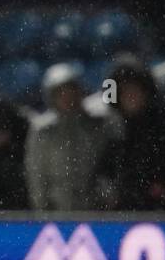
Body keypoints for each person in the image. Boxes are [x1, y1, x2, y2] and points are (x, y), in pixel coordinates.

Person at [93, 54, 165, 211]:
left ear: (146, 92)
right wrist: (110, 194)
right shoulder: (111, 129)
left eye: (135, 90)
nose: (131, 96)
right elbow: (101, 172)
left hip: (159, 210)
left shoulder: (162, 126)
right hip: (121, 212)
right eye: (125, 91)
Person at [26, 63, 106, 212]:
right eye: (61, 94)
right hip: (58, 209)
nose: (67, 98)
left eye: (71, 92)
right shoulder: (43, 131)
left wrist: (105, 197)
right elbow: (37, 174)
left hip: (95, 209)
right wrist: (42, 207)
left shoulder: (96, 125)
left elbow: (106, 165)